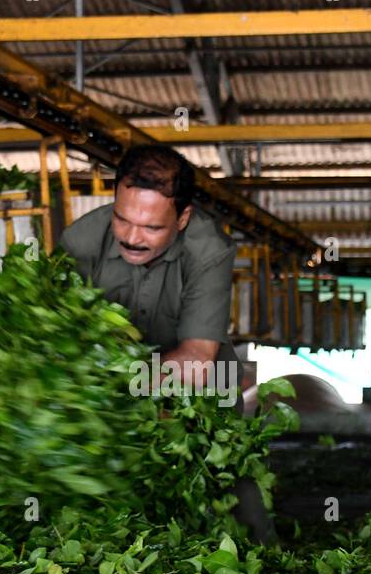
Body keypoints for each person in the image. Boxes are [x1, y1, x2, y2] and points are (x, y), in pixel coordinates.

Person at [59, 144, 276, 541]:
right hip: (110, 382)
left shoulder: (209, 250)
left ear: (183, 218)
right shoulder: (80, 242)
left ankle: (262, 562)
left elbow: (195, 360)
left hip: (207, 377)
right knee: (103, 486)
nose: (132, 237)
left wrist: (112, 388)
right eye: (122, 220)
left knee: (224, 474)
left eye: (151, 228)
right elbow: (61, 335)